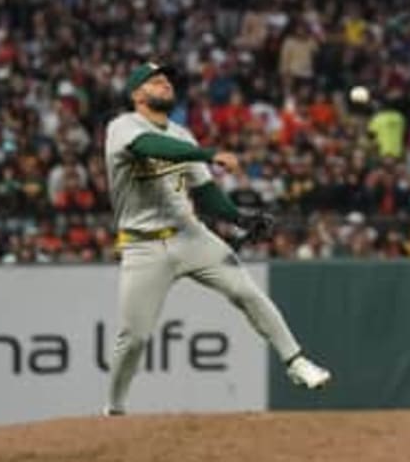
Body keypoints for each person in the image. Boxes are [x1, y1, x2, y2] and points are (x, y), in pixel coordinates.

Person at [103, 61, 330, 415]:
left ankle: (297, 362)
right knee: (134, 338)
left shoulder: (182, 135)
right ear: (136, 95)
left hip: (190, 234)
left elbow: (206, 192)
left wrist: (240, 218)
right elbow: (151, 147)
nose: (163, 83)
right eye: (153, 81)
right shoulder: (122, 127)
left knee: (247, 293)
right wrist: (208, 153)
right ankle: (114, 409)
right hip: (142, 244)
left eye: (166, 79)